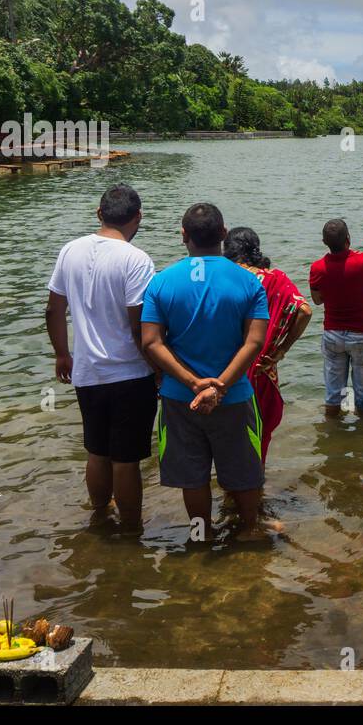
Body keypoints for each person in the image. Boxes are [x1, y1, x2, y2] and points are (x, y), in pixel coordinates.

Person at [139, 203, 270, 538]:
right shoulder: (249, 282)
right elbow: (254, 343)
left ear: (183, 235)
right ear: (223, 234)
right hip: (235, 395)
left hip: (181, 398)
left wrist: (194, 383)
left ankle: (202, 533)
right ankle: (249, 530)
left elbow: (151, 343)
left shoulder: (161, 283)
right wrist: (220, 386)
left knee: (193, 476)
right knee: (244, 470)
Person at [45, 184, 157, 530]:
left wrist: (63, 354)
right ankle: (132, 528)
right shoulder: (136, 259)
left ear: (99, 213)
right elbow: (138, 325)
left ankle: (99, 516)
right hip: (130, 374)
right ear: (137, 217)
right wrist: (158, 368)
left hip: (87, 372)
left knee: (97, 451)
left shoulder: (70, 250)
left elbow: (53, 309)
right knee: (126, 460)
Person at [223, 226, 312, 464]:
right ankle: (254, 488)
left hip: (225, 370)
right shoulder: (275, 278)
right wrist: (280, 350)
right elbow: (304, 311)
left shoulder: (224, 276)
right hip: (262, 369)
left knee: (226, 437)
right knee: (258, 436)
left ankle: (231, 490)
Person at [308, 217, 363, 417]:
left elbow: (317, 300)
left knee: (332, 397)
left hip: (333, 336)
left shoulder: (318, 268)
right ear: (348, 238)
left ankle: (332, 437)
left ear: (324, 243)